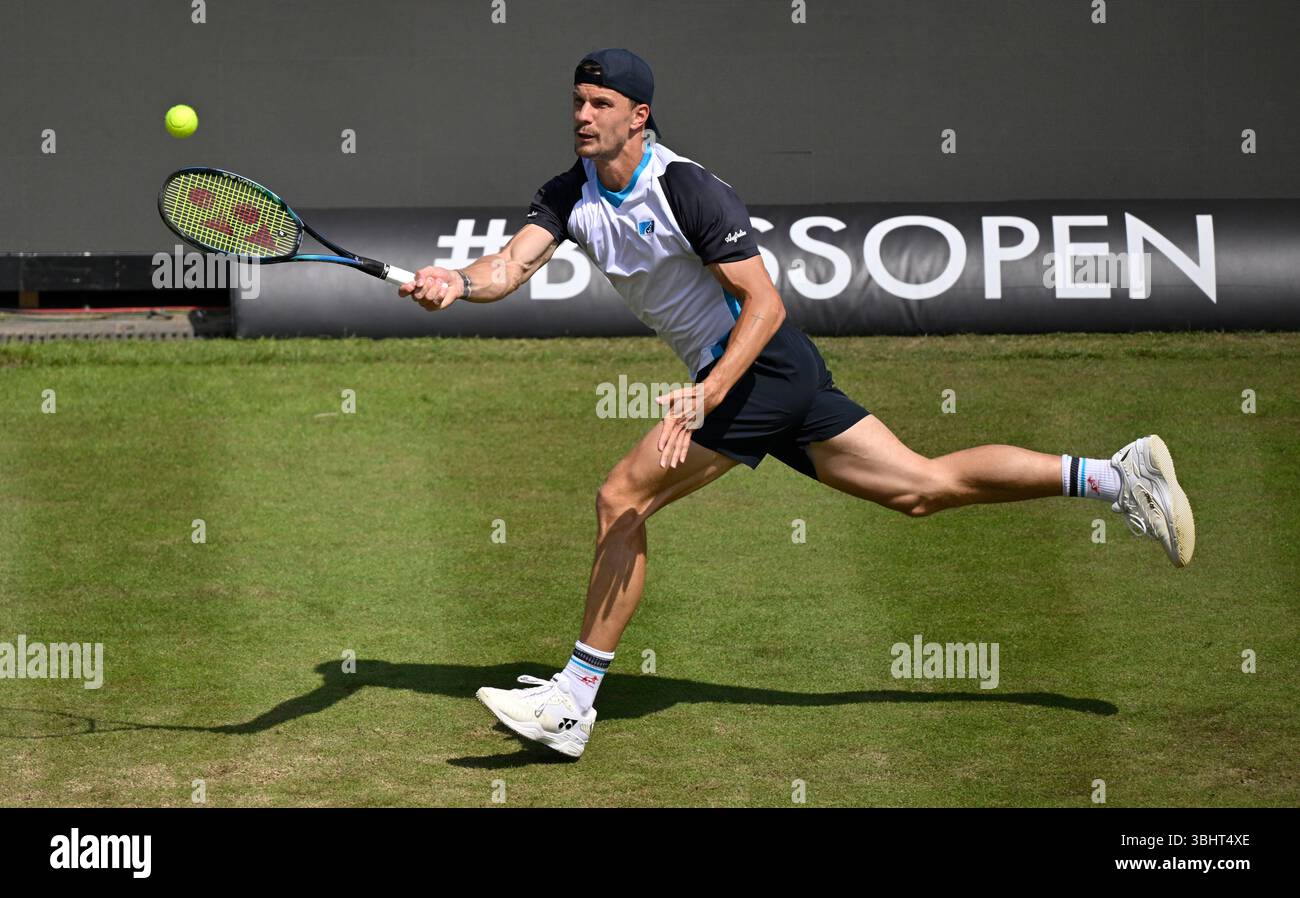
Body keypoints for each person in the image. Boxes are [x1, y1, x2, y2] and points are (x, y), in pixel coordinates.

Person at [398, 48, 1195, 759]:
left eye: (600, 104)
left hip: (757, 368)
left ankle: (572, 702)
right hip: (772, 375)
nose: (582, 115)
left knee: (622, 497)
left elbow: (766, 304)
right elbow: (509, 267)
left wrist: (706, 394)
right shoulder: (568, 193)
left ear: (638, 117)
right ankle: (1116, 477)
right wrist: (455, 282)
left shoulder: (685, 188)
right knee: (921, 488)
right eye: (577, 101)